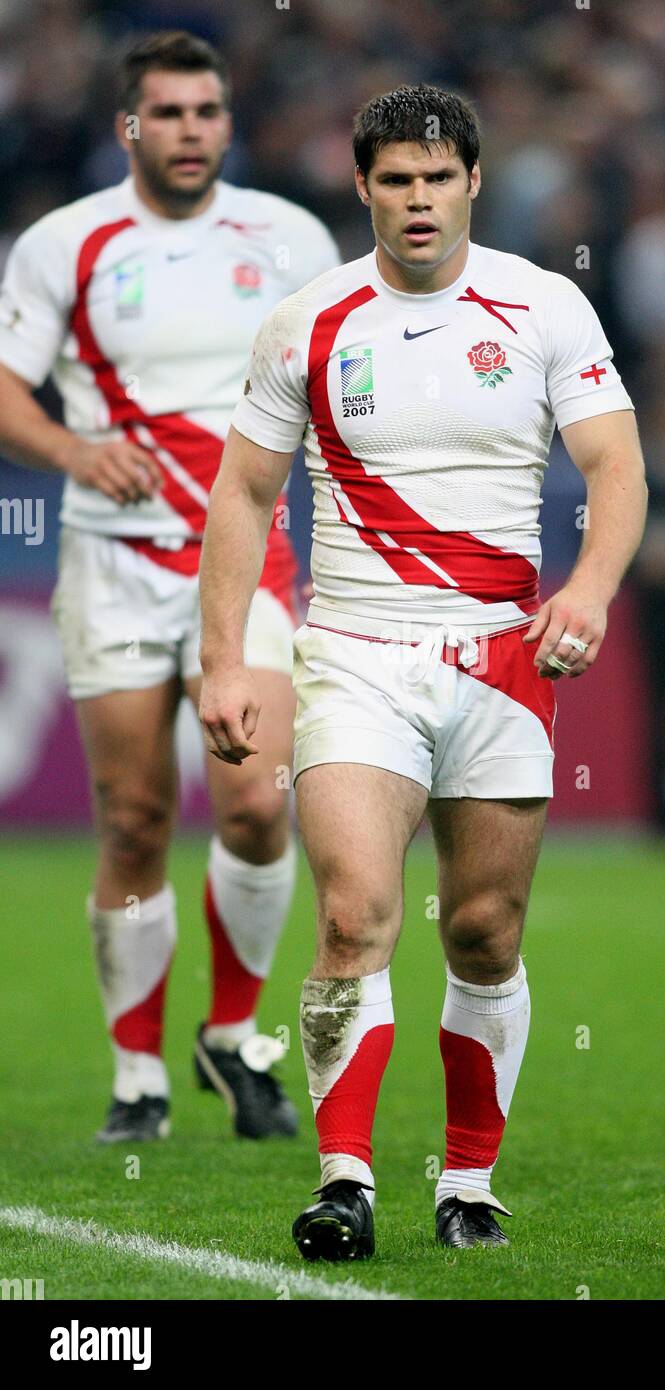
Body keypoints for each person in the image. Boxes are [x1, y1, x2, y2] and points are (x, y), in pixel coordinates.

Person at [199, 84, 646, 1256]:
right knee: (355, 914)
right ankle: (343, 1178)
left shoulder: (544, 307)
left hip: (503, 657)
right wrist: (226, 660)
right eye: (394, 180)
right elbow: (244, 492)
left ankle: (467, 1180)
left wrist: (588, 588)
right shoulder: (308, 319)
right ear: (361, 188)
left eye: (436, 179)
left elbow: (615, 470)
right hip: (353, 652)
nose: (416, 200)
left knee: (485, 932)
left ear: (473, 183)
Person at [0, 31, 340, 1143]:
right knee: (136, 818)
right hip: (112, 557)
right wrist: (69, 451)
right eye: (170, 112)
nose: (192, 130)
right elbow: (7, 385)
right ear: (128, 126)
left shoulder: (288, 237)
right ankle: (137, 1072)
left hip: (248, 564)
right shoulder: (66, 242)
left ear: (227, 122)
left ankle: (231, 1037)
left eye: (209, 111)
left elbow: (339, 380)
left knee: (253, 806)